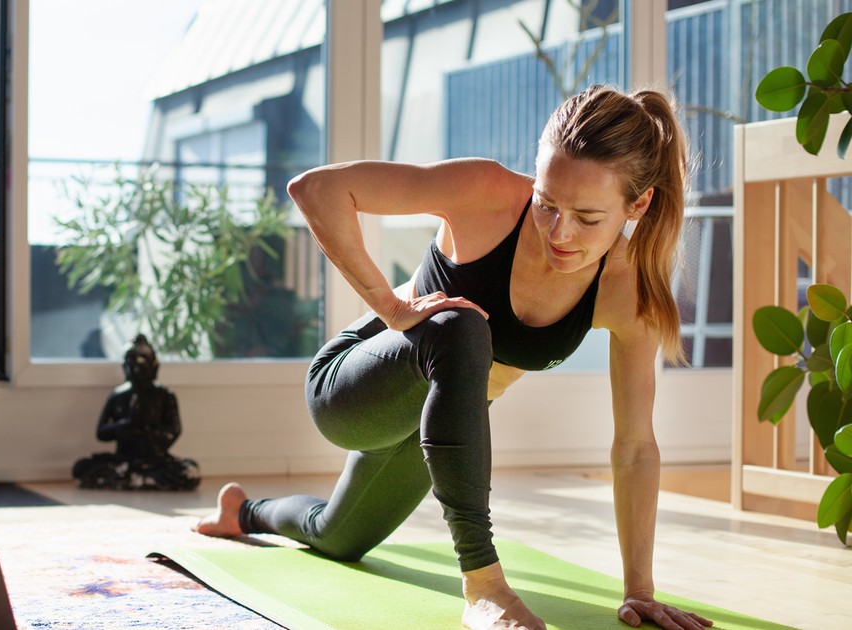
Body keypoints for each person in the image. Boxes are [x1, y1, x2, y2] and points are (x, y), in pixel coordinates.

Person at [194, 85, 713, 630]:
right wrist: (392, 308)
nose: (559, 232)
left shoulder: (628, 291)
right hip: (352, 389)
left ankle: (242, 512)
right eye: (546, 204)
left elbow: (635, 446)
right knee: (463, 326)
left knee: (337, 537)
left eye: (586, 218)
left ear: (638, 205)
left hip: (439, 429)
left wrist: (639, 590)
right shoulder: (485, 193)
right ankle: (483, 586)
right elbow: (318, 189)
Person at [72, 334, 201, 491]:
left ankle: (131, 479)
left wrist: (148, 428)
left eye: (142, 367)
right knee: (81, 468)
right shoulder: (118, 395)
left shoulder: (165, 395)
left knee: (190, 471)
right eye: (131, 366)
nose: (136, 371)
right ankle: (140, 479)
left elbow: (174, 431)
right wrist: (127, 424)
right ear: (124, 367)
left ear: (154, 367)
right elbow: (101, 433)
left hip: (155, 460)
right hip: (124, 459)